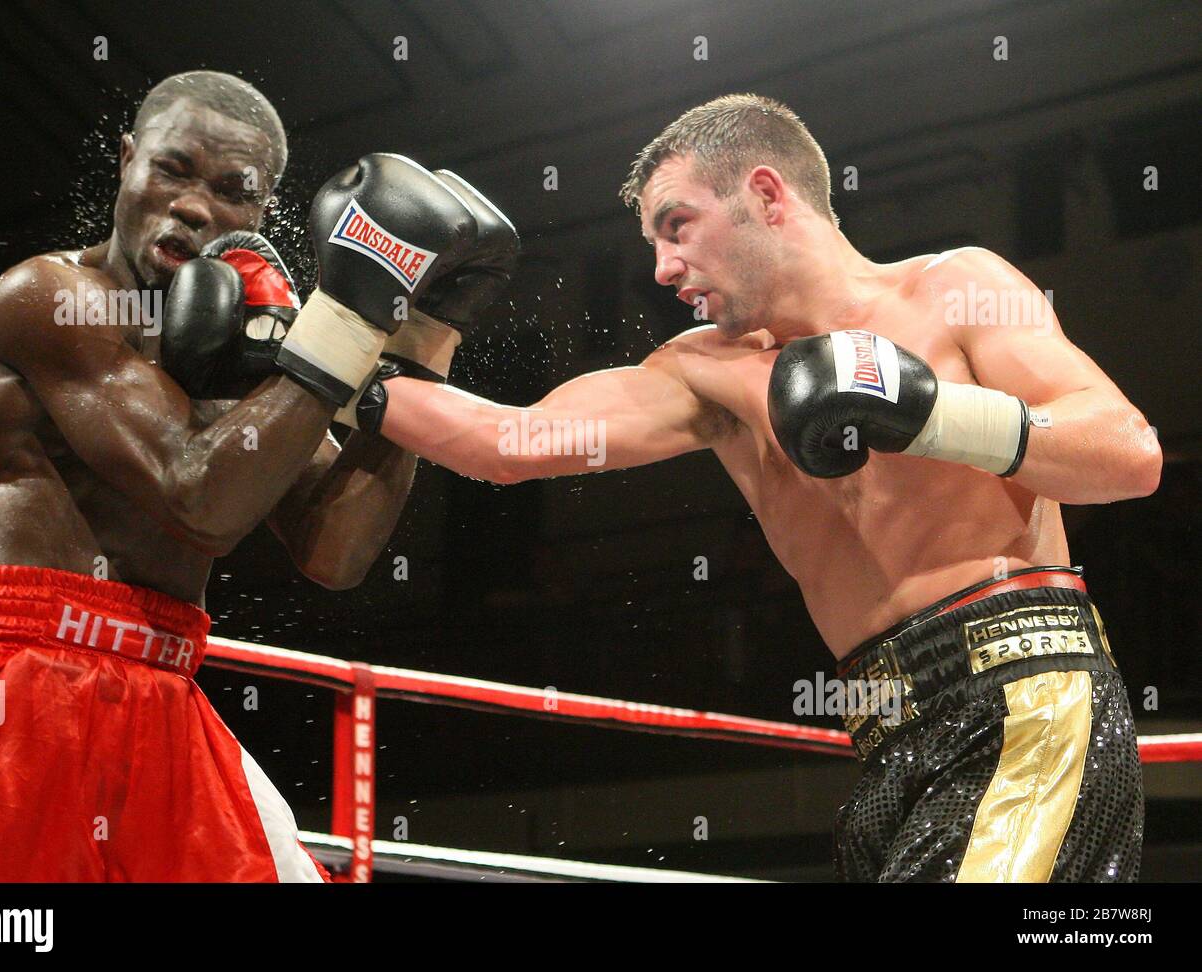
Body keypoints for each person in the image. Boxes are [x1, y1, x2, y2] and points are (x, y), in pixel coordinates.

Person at [362, 94, 1162, 882]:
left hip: (1026, 698)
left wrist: (928, 413)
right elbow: (508, 444)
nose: (662, 267)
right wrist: (342, 338)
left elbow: (1129, 455)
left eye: (677, 225)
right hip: (883, 740)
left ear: (766, 195)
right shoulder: (706, 373)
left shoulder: (953, 290)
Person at [0, 70, 517, 881]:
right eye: (172, 169)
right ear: (126, 162)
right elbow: (197, 498)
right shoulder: (50, 297)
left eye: (231, 190)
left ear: (259, 216)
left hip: (165, 698)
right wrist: (350, 317)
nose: (194, 206)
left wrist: (419, 339)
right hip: (16, 689)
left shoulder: (248, 340)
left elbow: (335, 554)